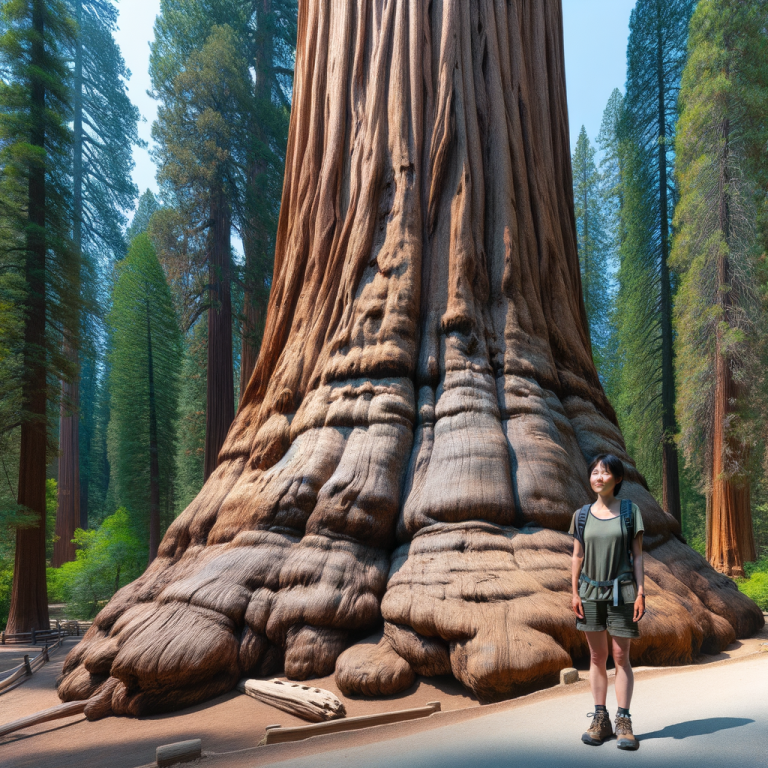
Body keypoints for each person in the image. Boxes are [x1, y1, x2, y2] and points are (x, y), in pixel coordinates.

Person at [570, 454, 645, 751]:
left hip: (622, 591)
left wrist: (641, 592)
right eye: (595, 472)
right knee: (597, 657)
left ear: (618, 478)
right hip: (589, 592)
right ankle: (600, 719)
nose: (598, 477)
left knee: (620, 655)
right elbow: (577, 555)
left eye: (605, 473)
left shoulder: (630, 512)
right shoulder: (582, 515)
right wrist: (574, 592)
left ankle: (623, 721)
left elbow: (638, 555)